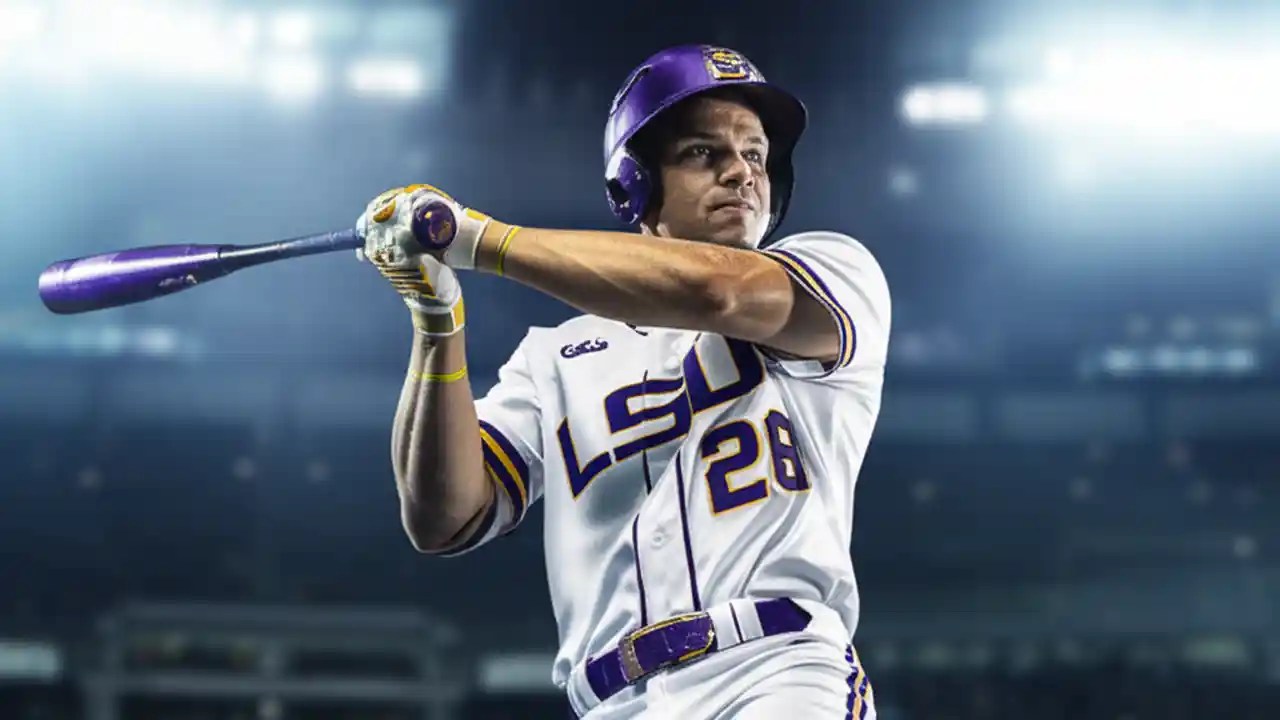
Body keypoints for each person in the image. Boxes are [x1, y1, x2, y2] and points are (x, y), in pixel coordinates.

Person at [356, 44, 890, 719]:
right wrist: (436, 324)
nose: (741, 173)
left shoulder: (835, 272)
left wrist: (480, 240)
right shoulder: (551, 358)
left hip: (775, 671)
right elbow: (444, 518)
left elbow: (718, 292)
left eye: (755, 155)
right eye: (703, 153)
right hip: (611, 701)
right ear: (634, 184)